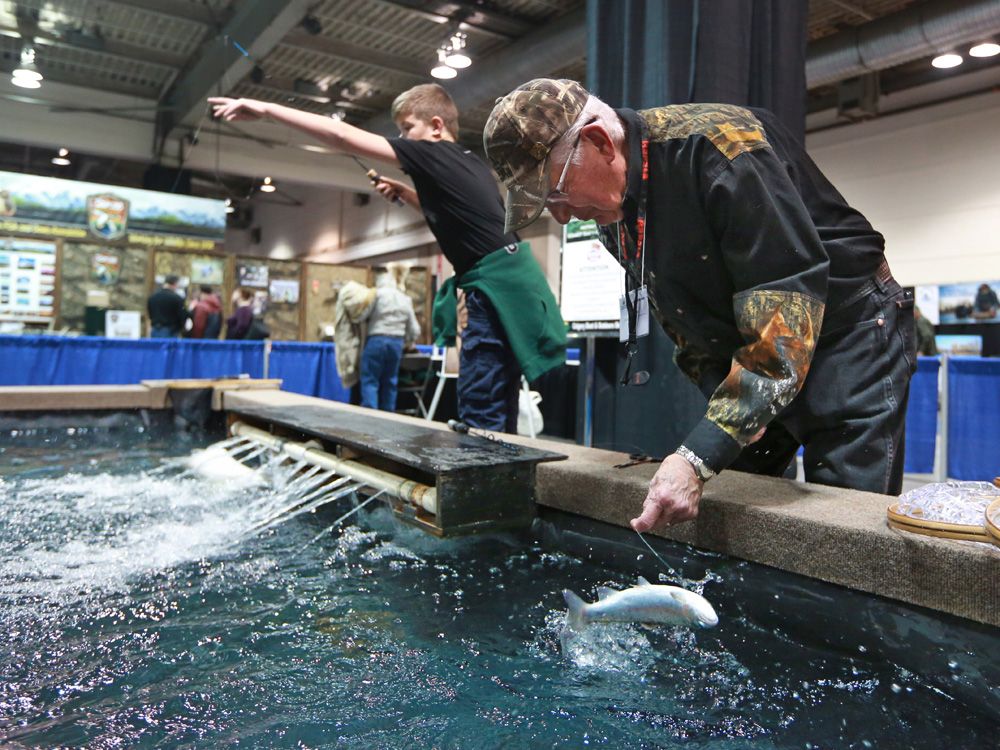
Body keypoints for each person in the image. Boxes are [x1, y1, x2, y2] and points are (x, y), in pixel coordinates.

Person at [484, 79, 916, 531]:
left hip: (848, 334)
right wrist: (727, 413)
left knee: (844, 524)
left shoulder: (723, 149)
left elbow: (784, 309)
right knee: (738, 502)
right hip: (755, 349)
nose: (560, 215)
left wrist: (696, 455)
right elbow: (683, 322)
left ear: (599, 142)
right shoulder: (613, 217)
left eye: (556, 191)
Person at [209, 85, 566, 433]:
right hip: (516, 286)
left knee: (481, 404)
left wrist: (266, 109)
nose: (403, 138)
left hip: (495, 289)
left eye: (407, 128)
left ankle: (481, 461)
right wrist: (408, 194)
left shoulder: (432, 152)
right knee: (499, 401)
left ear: (436, 126)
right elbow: (462, 214)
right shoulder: (469, 162)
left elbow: (341, 136)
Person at [359, 269, 421, 412]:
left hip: (376, 339)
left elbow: (362, 316)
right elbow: (415, 329)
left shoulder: (376, 295)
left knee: (370, 380)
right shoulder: (405, 299)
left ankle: (370, 415)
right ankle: (389, 416)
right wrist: (407, 341)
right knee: (390, 381)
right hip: (396, 343)